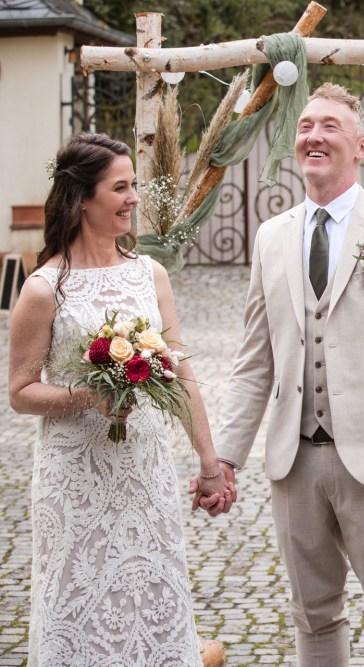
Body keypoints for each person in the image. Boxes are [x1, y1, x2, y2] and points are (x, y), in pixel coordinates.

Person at [202, 83, 364, 667]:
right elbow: (253, 360)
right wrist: (225, 460)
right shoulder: (271, 236)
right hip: (294, 461)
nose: (314, 135)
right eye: (306, 125)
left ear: (361, 145)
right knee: (312, 615)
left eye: (330, 126)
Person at [7, 133, 231, 666]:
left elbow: (180, 368)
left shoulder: (148, 273)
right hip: (75, 479)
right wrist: (89, 396)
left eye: (134, 186)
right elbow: (19, 392)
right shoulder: (44, 289)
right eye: (121, 187)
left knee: (150, 598)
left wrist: (209, 460)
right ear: (83, 198)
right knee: (81, 603)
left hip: (144, 468)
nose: (134, 198)